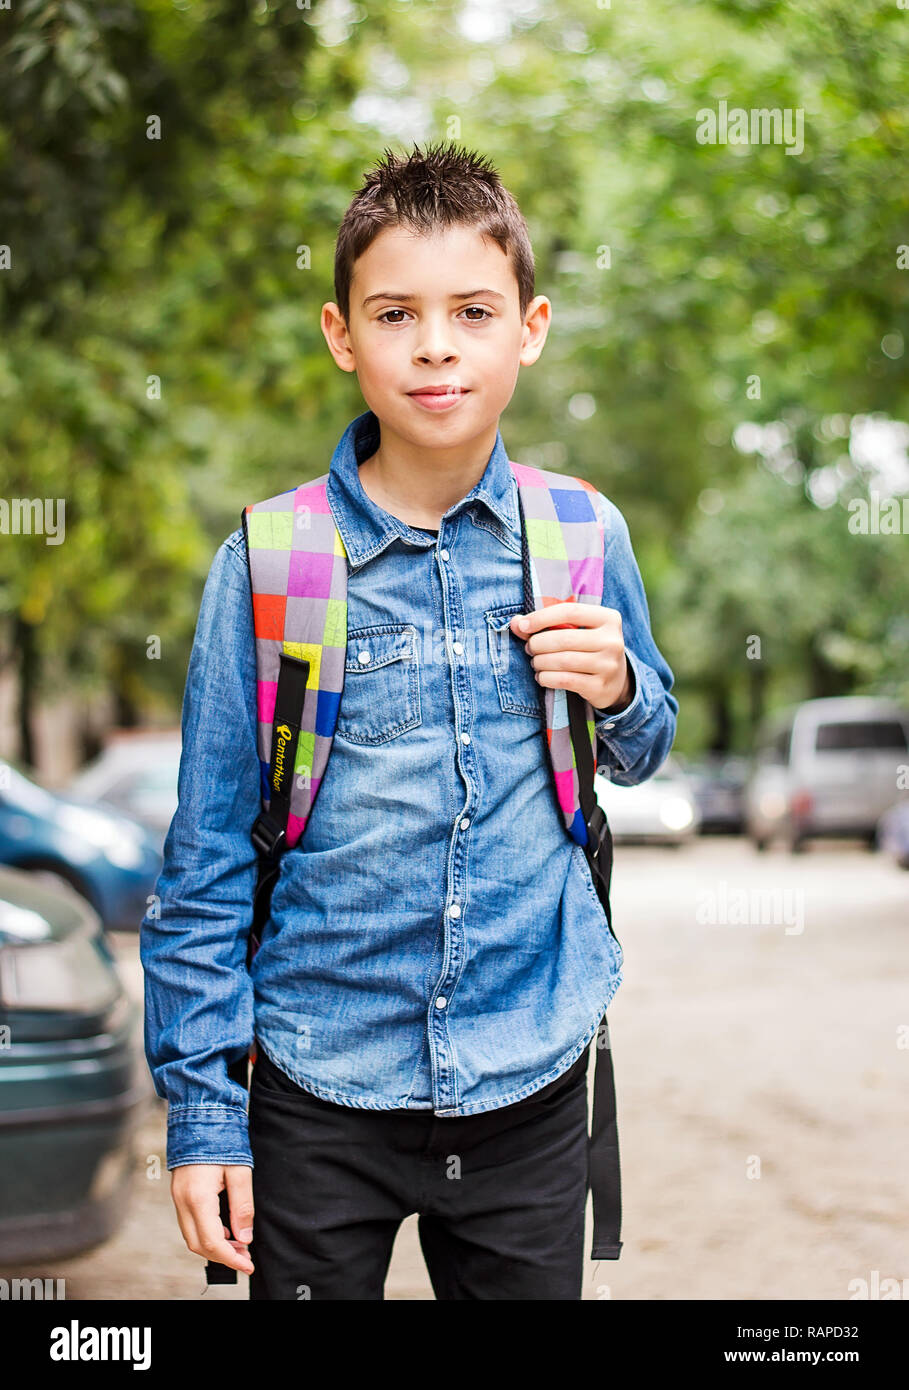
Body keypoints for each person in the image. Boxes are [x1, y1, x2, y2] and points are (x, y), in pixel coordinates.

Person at [140, 140, 678, 1301]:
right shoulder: (269, 565)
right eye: (395, 313)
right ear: (343, 335)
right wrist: (202, 1115)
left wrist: (622, 688)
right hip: (315, 1089)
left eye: (472, 310)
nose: (435, 344)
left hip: (528, 1078)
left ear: (527, 328)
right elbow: (204, 865)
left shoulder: (584, 536)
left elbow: (646, 743)